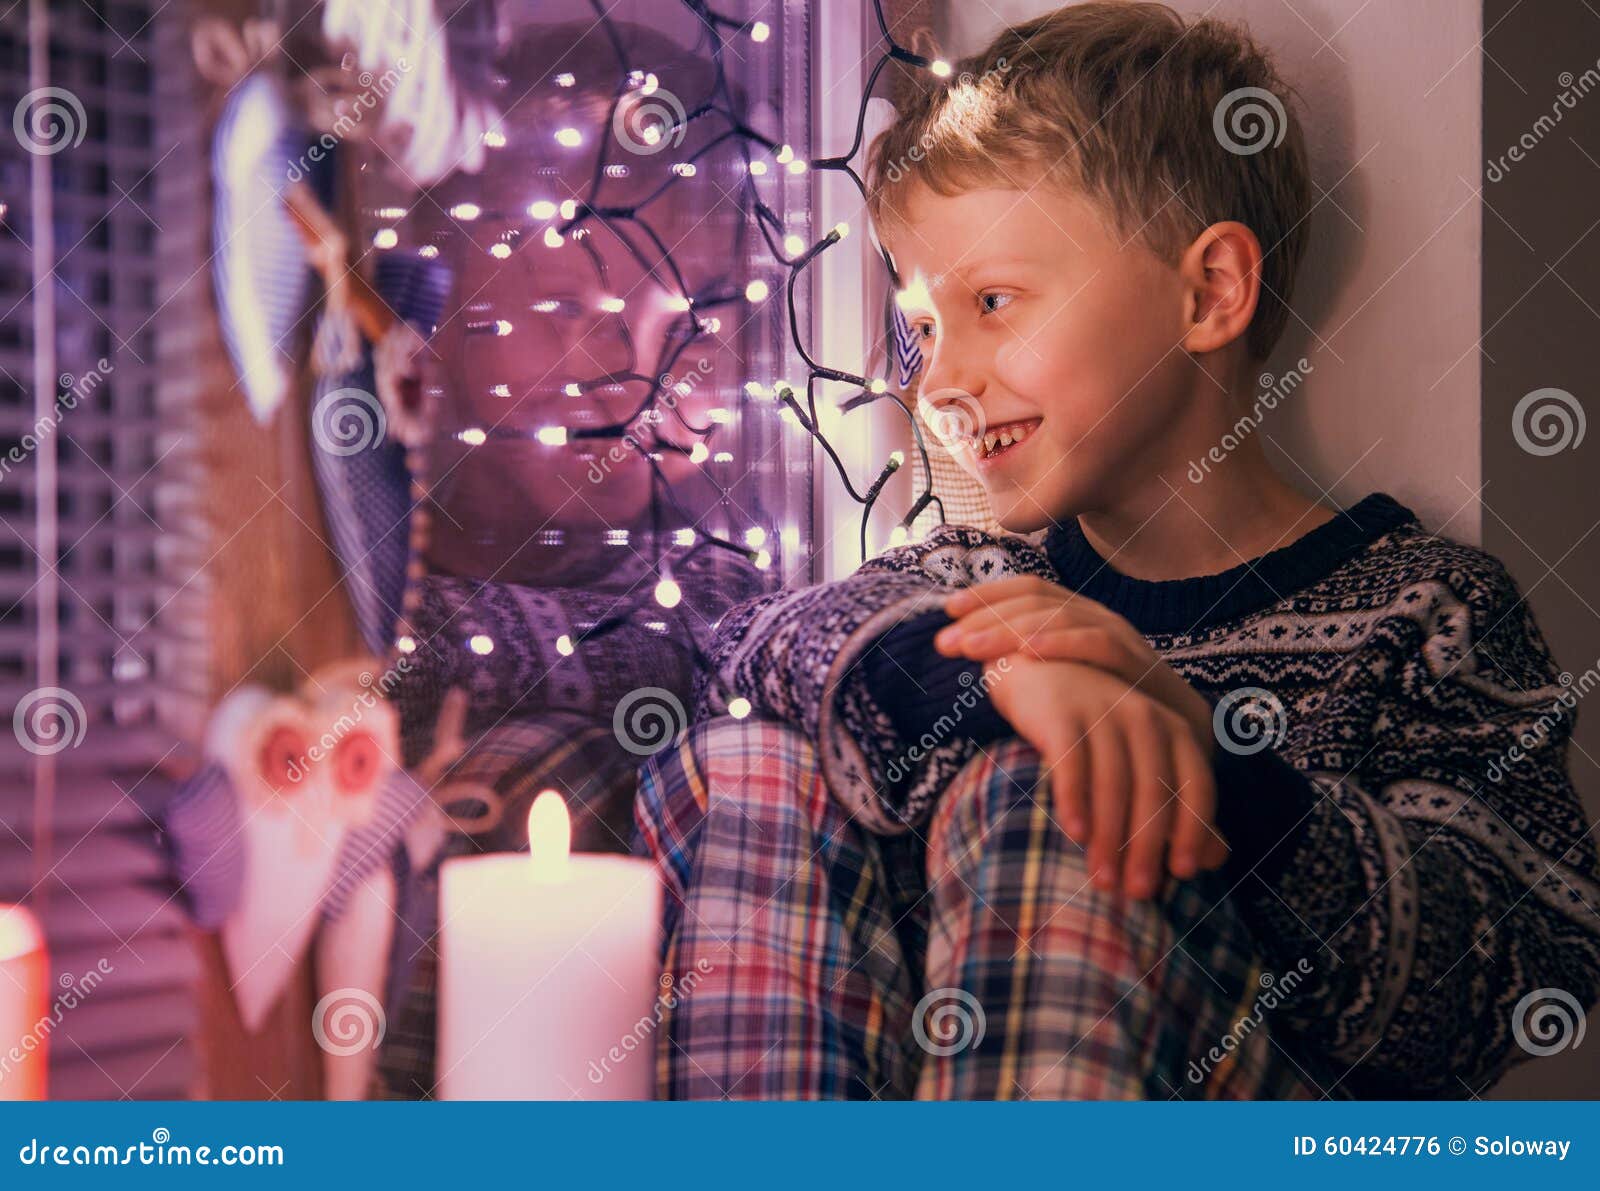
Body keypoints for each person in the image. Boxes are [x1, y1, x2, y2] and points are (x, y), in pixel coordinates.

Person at [632, 1, 1600, 1100]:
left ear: (1208, 292)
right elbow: (745, 648)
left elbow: (1521, 972)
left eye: (993, 301)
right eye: (924, 330)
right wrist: (1005, 678)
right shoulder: (977, 585)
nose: (938, 381)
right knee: (746, 763)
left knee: (1060, 799)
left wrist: (1207, 766)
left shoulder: (1422, 609)